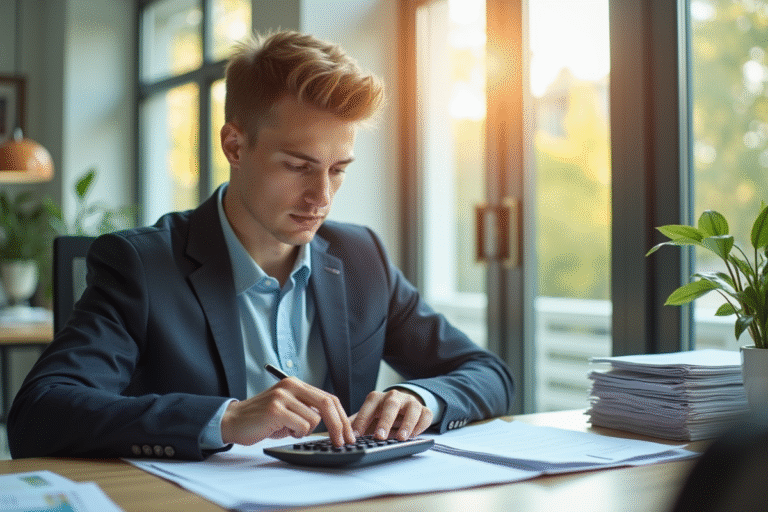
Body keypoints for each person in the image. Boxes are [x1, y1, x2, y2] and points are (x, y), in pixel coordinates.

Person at [8, 30, 514, 460]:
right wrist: (225, 418)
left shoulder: (362, 257)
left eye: (338, 170)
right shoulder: (141, 265)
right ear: (234, 145)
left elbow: (488, 373)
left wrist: (420, 395)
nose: (321, 197)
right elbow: (41, 411)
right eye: (298, 166)